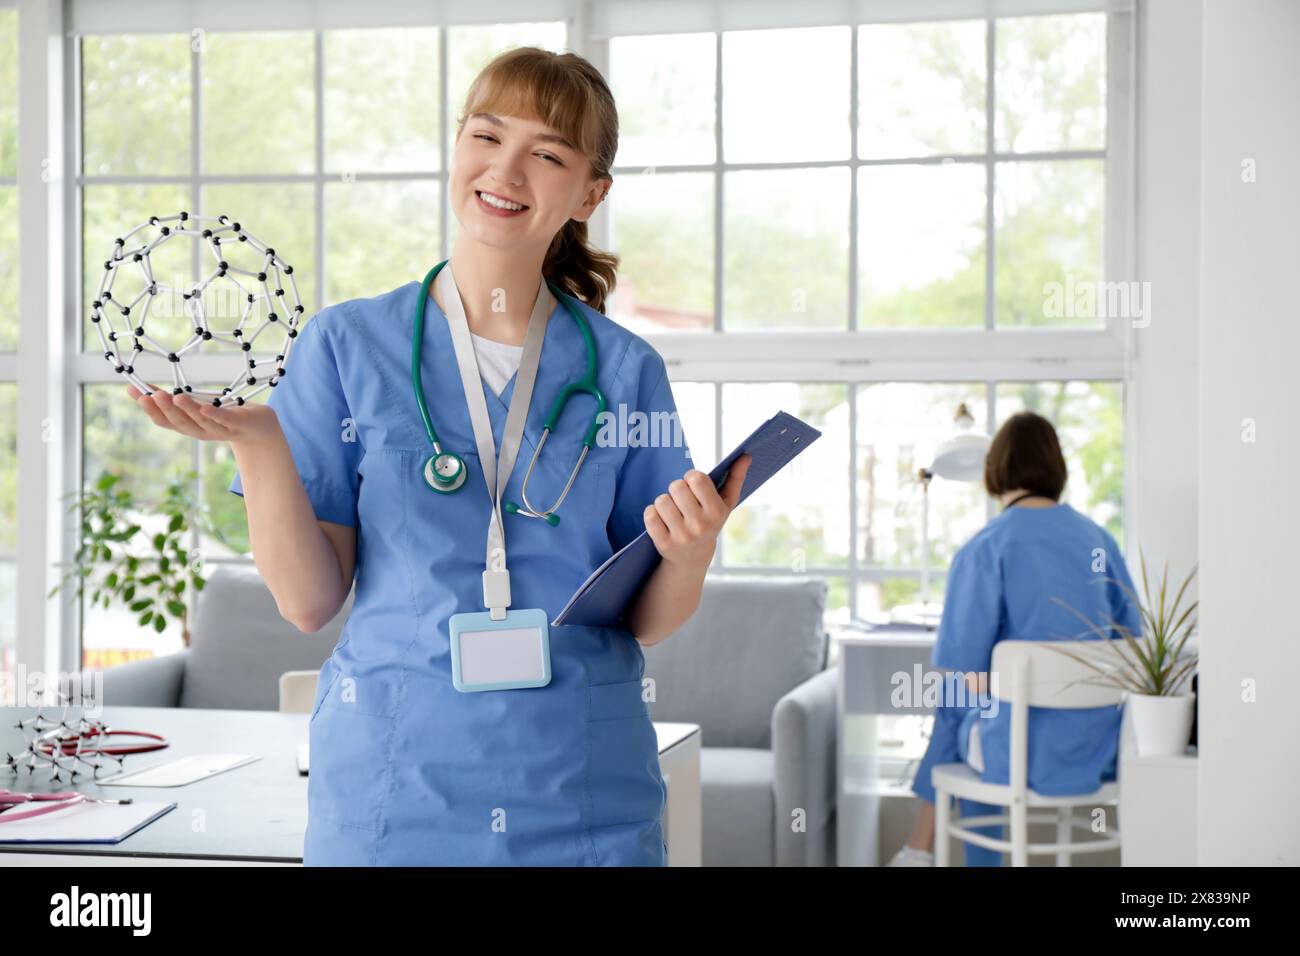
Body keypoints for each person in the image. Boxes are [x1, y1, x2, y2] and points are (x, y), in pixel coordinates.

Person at [127, 46, 751, 866]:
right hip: (395, 788)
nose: (507, 170)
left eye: (548, 154)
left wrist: (693, 551)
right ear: (458, 147)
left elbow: (650, 618)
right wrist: (261, 442)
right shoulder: (348, 345)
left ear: (590, 193)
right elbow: (309, 603)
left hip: (581, 787)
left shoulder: (625, 369)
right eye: (487, 137)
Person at [888, 411, 1140, 866]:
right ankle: (916, 849)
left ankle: (919, 850)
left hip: (1016, 758)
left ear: (995, 470)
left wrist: (1001, 685)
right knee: (981, 701)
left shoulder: (987, 547)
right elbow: (1134, 646)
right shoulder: (1100, 540)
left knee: (957, 698)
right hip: (1097, 752)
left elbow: (963, 670)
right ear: (1056, 469)